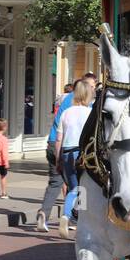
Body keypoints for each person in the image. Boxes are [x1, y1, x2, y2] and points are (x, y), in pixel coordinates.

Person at [54, 80, 95, 238]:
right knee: (84, 188)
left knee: (73, 188)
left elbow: (58, 139)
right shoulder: (89, 113)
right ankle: (81, 223)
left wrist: (58, 160)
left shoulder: (66, 113)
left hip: (66, 152)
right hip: (83, 153)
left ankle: (66, 215)